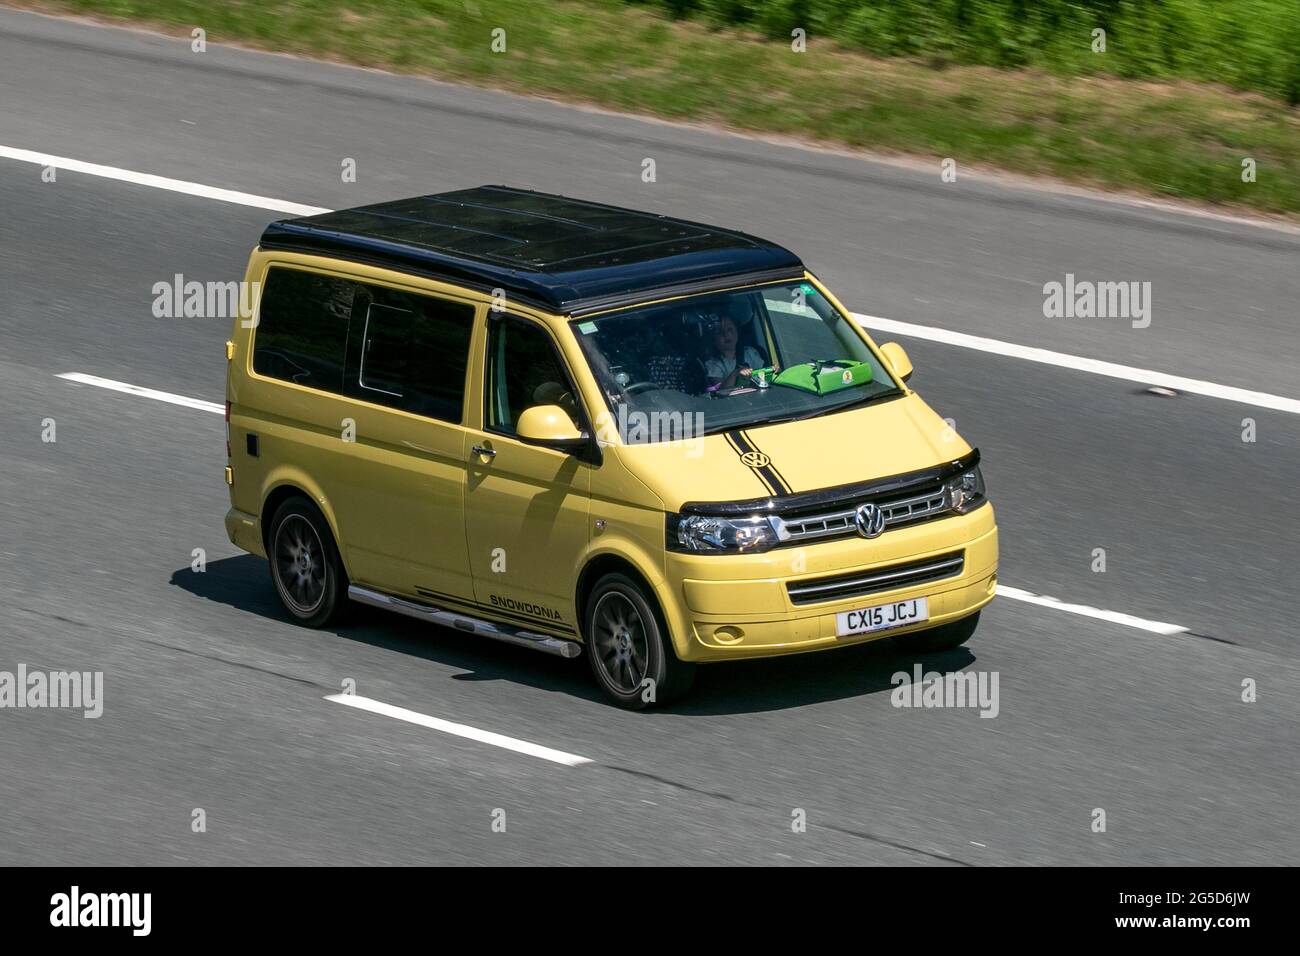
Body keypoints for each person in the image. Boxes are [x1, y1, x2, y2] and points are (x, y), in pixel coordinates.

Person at [705, 314, 765, 390]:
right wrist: (736, 373)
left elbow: (763, 375)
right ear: (713, 339)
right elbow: (721, 392)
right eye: (720, 332)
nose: (726, 334)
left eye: (730, 329)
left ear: (737, 331)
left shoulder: (750, 353)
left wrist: (772, 371)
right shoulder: (713, 365)